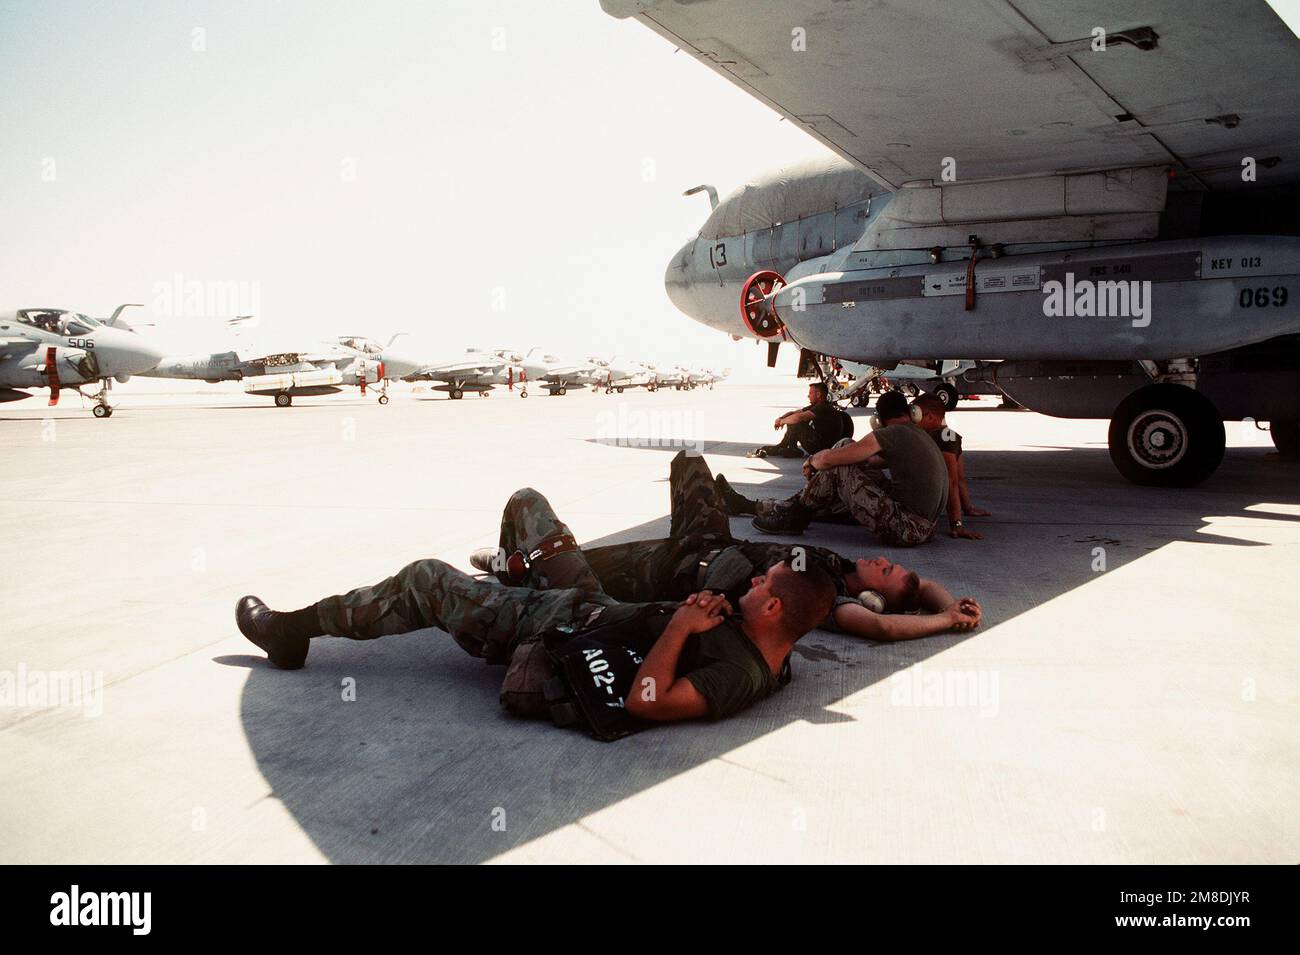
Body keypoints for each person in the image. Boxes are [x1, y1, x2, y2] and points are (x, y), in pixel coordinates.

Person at [235, 484, 837, 726]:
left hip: (563, 630)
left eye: (765, 586)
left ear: (775, 610)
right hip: (592, 604)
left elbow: (645, 701)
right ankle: (506, 583)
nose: (755, 585)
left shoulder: (739, 674)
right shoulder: (767, 641)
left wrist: (682, 623)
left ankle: (291, 632)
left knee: (423, 577)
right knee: (529, 506)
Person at [474, 452, 981, 643]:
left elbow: (885, 625)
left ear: (872, 596)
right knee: (690, 462)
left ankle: (510, 569)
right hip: (709, 542)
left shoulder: (830, 599)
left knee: (562, 561)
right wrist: (950, 603)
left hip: (676, 573)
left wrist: (943, 623)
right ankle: (518, 567)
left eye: (886, 572)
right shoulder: (842, 567)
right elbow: (927, 586)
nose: (882, 560)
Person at [731, 391, 951, 545]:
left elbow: (829, 463)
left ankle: (793, 515)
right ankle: (768, 507)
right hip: (923, 527)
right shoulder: (916, 434)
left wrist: (812, 461)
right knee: (845, 447)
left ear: (880, 419)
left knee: (837, 467)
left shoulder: (893, 433)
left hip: (906, 528)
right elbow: (870, 462)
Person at [912, 393, 991, 539]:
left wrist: (956, 524)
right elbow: (959, 479)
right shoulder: (949, 435)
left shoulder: (943, 436)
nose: (913, 421)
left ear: (930, 417)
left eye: (916, 415)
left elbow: (952, 481)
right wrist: (968, 508)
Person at [749, 381, 851, 458]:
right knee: (793, 419)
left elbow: (798, 417)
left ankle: (791, 449)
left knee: (797, 422)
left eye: (810, 393)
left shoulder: (822, 407)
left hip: (822, 447)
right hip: (827, 445)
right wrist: (781, 418)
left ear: (818, 394)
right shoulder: (821, 406)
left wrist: (783, 422)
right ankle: (783, 446)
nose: (808, 395)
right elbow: (795, 413)